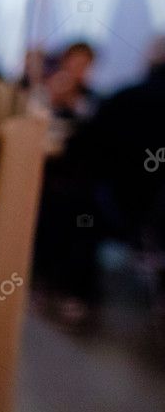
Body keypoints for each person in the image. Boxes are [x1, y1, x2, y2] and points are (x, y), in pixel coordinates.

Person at [34, 37, 165, 330]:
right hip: (147, 210)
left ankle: (60, 285)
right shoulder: (78, 95)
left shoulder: (123, 99)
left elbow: (87, 147)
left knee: (67, 202)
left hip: (112, 201)